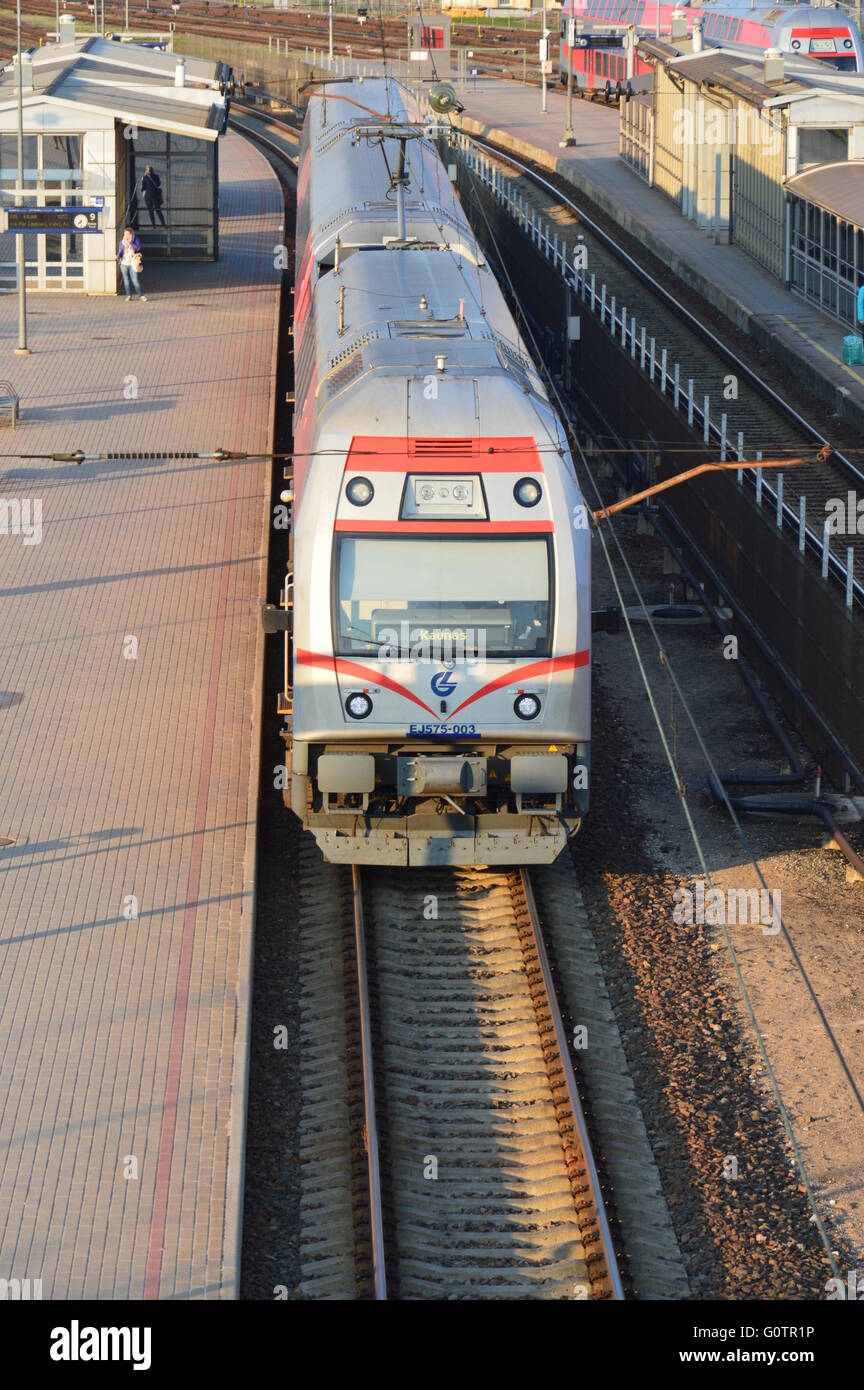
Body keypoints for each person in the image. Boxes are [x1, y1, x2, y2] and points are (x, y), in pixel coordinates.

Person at [117, 227, 147, 302]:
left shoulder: (136, 240)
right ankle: (128, 295)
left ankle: (141, 295)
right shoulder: (122, 242)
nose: (125, 236)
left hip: (133, 264)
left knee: (135, 280)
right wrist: (118, 256)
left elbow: (137, 248)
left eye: (127, 234)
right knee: (126, 280)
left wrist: (130, 243)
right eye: (124, 234)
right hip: (124, 264)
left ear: (131, 234)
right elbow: (120, 251)